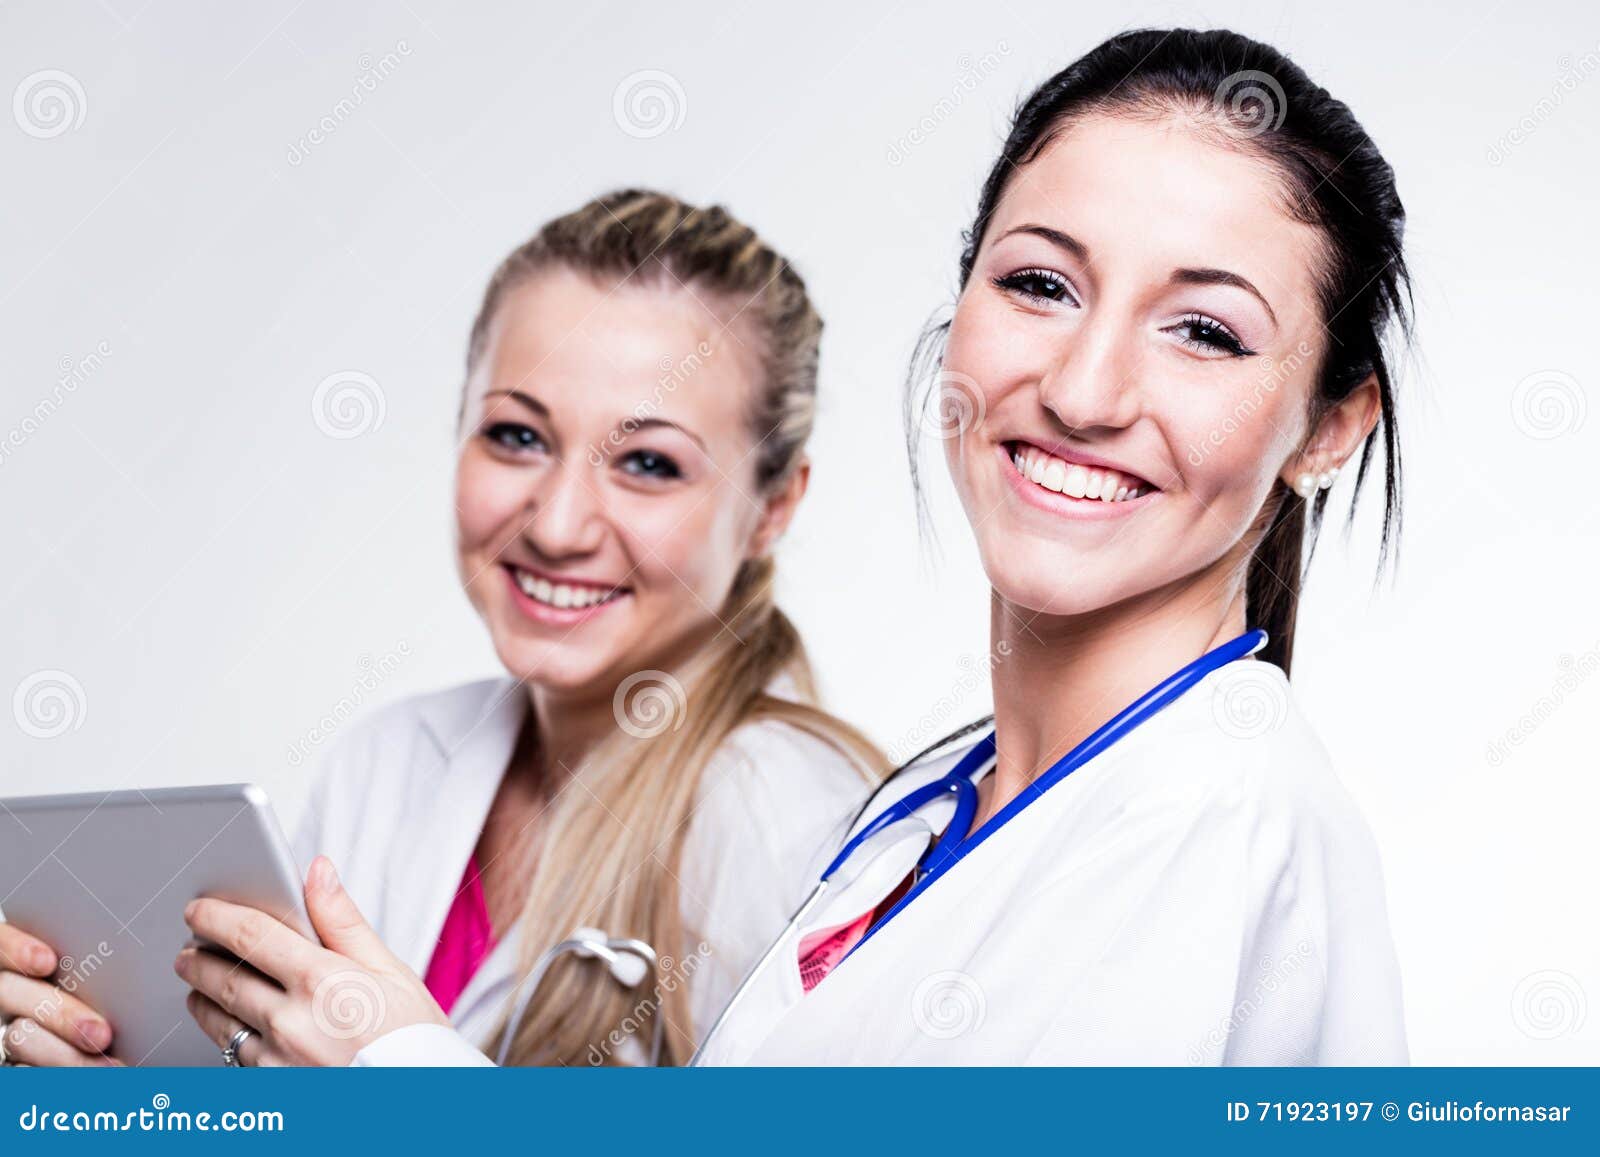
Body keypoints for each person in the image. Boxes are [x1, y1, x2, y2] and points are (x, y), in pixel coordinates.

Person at [0, 189, 885, 1067]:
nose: (557, 524)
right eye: (517, 436)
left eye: (648, 463)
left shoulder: (795, 826)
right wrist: (121, 1100)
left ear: (774, 505)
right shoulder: (390, 763)